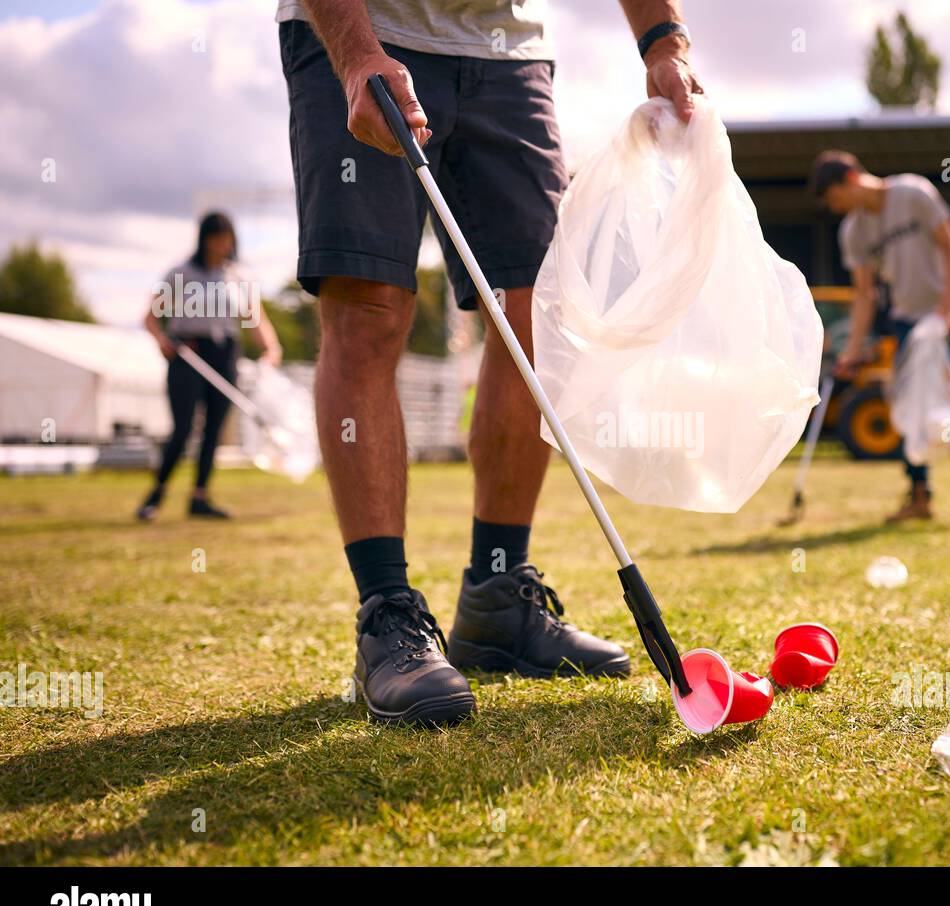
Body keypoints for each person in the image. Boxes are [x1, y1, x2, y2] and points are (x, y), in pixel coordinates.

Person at [278, 0, 704, 726]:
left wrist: (665, 40)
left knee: (538, 308)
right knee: (371, 306)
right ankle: (387, 613)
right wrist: (354, 56)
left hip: (509, 54)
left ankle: (497, 600)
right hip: (365, 34)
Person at [810, 150, 950, 524]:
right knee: (906, 407)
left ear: (849, 179)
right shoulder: (853, 232)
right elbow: (864, 293)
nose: (837, 208)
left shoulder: (913, 193)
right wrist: (851, 351)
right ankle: (919, 496)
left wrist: (946, 309)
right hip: (909, 321)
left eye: (835, 198)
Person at [138, 212, 282, 521]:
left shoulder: (239, 276)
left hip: (224, 356)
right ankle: (157, 493)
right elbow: (150, 317)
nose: (220, 244)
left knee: (214, 430)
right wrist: (162, 340)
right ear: (203, 240)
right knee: (184, 428)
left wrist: (271, 348)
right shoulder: (182, 273)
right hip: (189, 355)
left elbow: (255, 318)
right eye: (214, 238)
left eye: (225, 238)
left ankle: (199, 496)